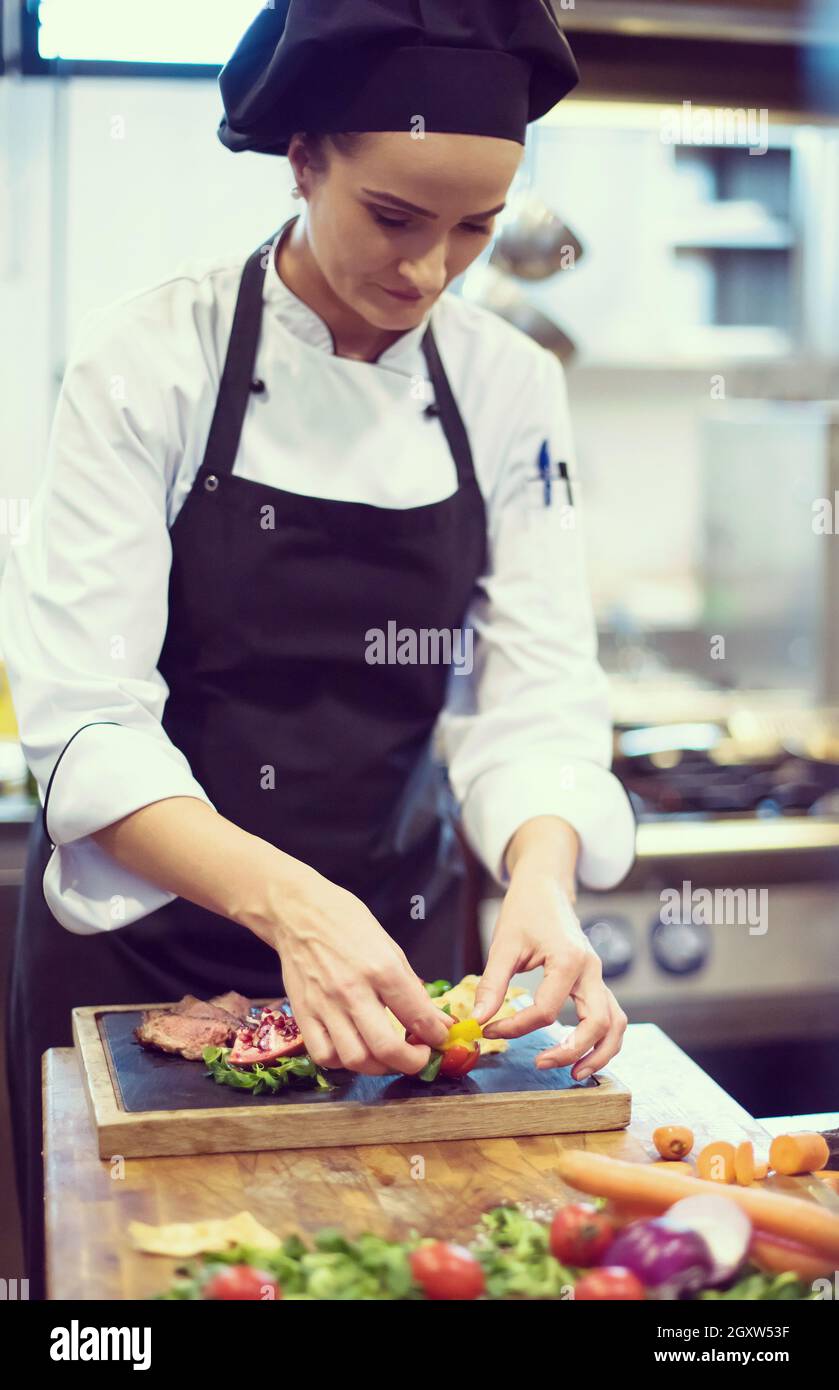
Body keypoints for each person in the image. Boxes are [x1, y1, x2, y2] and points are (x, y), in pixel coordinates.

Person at [1, 0, 635, 1295]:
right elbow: (83, 721)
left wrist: (543, 879)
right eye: (395, 218)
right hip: (147, 958)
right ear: (304, 162)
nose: (429, 272)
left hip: (398, 959)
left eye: (476, 229)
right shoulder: (150, 359)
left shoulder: (512, 384)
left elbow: (537, 696)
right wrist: (292, 905)